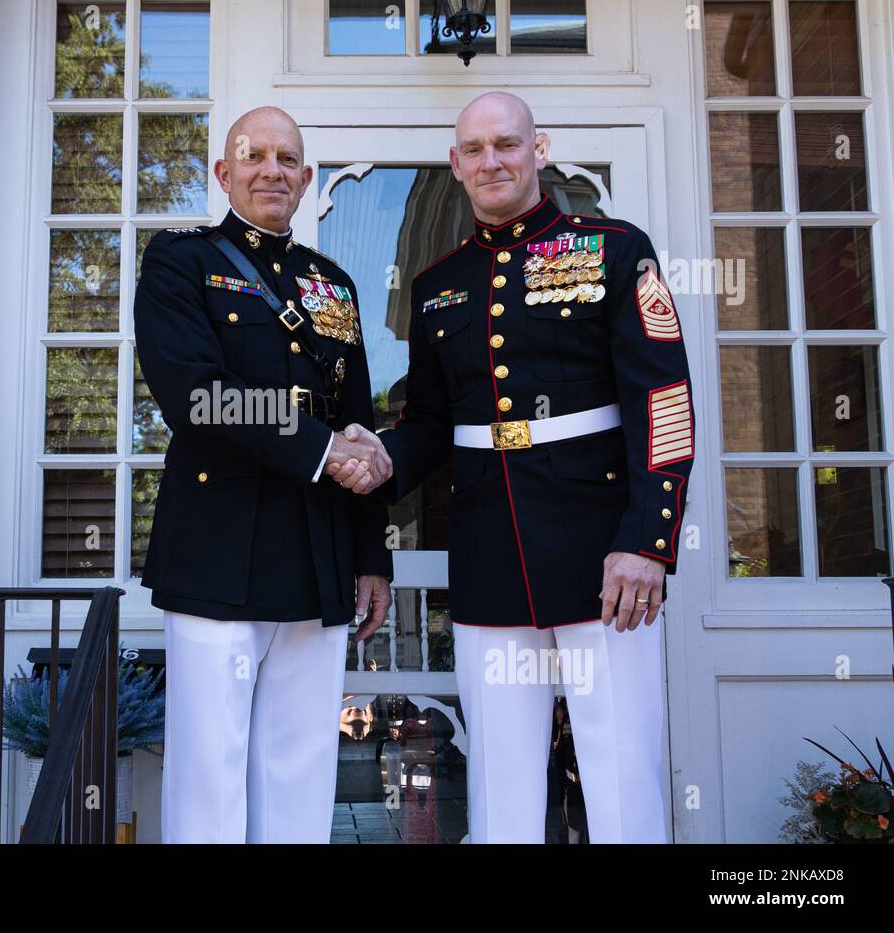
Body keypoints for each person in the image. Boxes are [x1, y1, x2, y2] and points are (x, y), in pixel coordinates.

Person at [329, 91, 695, 843]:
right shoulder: (437, 285)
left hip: (604, 555)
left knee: (621, 770)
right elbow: (430, 424)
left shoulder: (615, 249)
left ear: (540, 149)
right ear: (456, 164)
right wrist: (380, 460)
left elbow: (663, 402)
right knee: (499, 778)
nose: (491, 161)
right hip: (491, 554)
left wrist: (648, 541)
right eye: (475, 149)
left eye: (507, 144)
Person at [134, 106, 394, 843]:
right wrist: (321, 449)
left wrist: (371, 556)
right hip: (217, 547)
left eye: (287, 160)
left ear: (307, 179)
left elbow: (358, 421)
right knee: (210, 773)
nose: (271, 171)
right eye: (254, 157)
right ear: (224, 172)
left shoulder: (332, 284)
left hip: (318, 550)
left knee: (300, 772)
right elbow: (197, 395)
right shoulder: (180, 263)